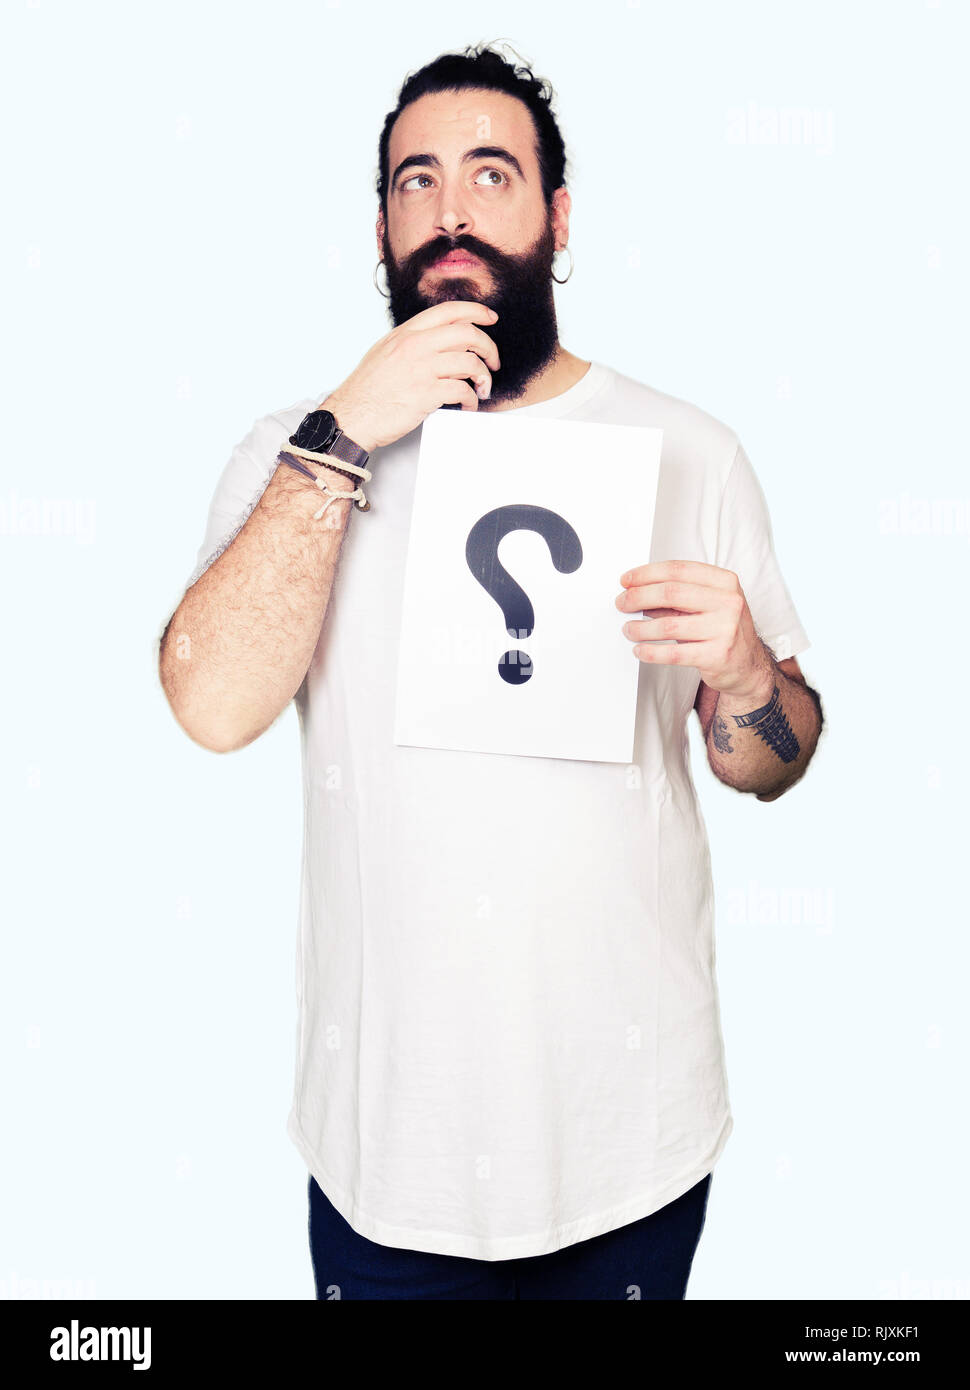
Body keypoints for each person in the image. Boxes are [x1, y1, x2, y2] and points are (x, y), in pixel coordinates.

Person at [158, 42, 824, 1300]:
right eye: (416, 180)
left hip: (631, 1148)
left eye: (490, 173)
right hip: (386, 1160)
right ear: (379, 227)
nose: (451, 209)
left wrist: (743, 674)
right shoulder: (293, 454)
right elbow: (209, 706)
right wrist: (347, 430)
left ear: (556, 216)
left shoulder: (690, 450)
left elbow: (769, 762)